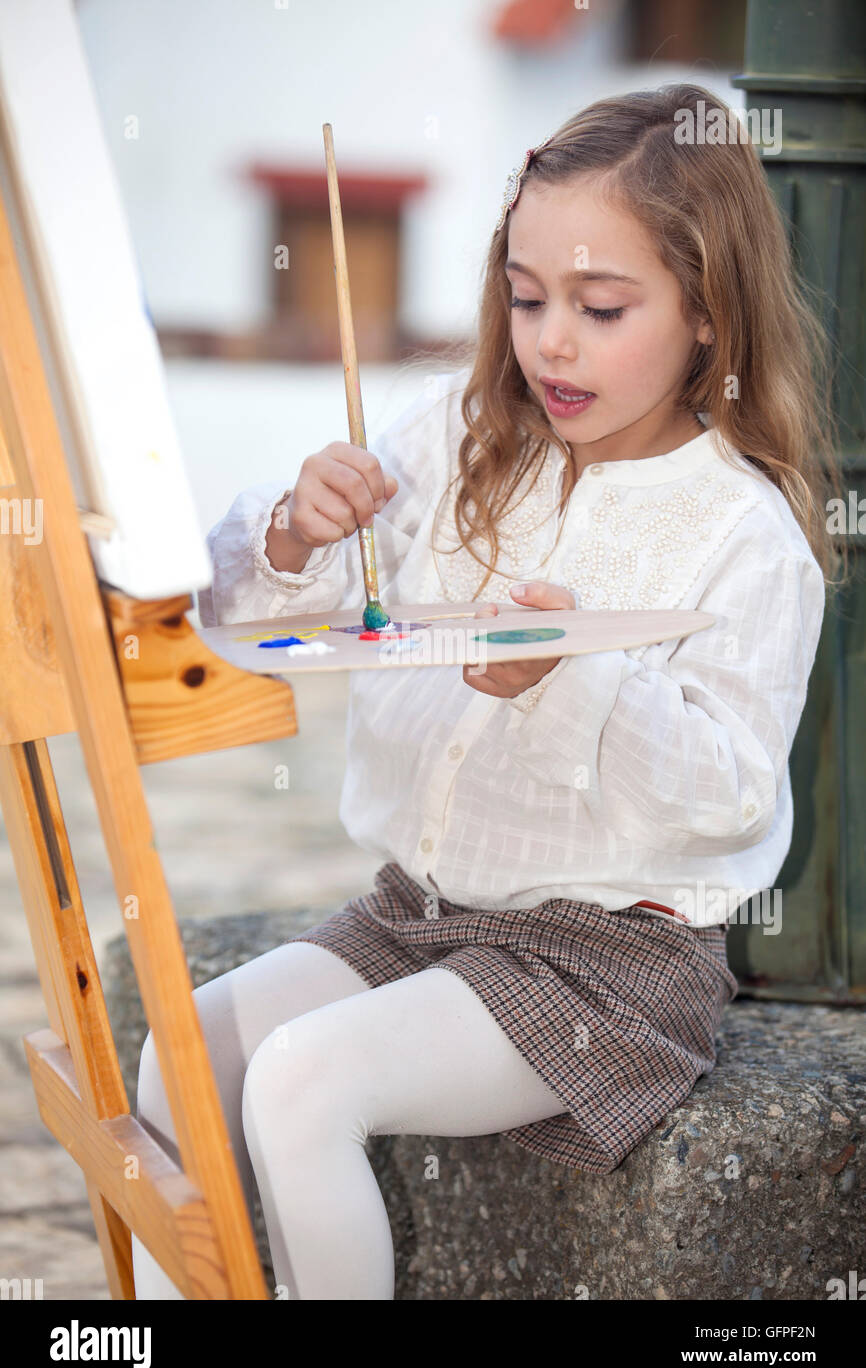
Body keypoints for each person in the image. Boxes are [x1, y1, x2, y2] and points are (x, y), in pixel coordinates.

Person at [132, 82, 846, 1300]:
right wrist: (301, 538)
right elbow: (247, 615)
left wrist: (569, 681)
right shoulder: (461, 430)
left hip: (605, 965)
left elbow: (727, 793)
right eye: (524, 298)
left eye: (599, 306)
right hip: (417, 914)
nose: (549, 340)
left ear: (709, 314)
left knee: (304, 1081)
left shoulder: (744, 533)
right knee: (179, 1060)